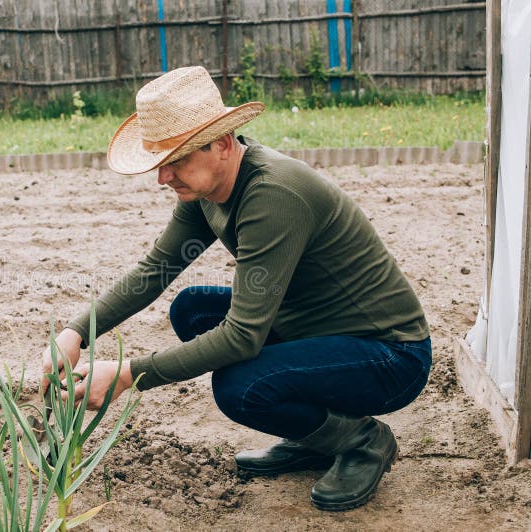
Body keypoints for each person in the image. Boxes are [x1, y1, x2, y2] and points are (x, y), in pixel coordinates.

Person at [40, 65, 431, 511]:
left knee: (240, 387)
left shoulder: (273, 195)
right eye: (159, 163)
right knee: (192, 310)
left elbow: (244, 335)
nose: (163, 178)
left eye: (176, 160)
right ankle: (315, 434)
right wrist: (75, 333)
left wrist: (127, 375)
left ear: (223, 144)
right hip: (316, 326)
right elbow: (156, 270)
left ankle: (362, 440)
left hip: (388, 355)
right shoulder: (205, 193)